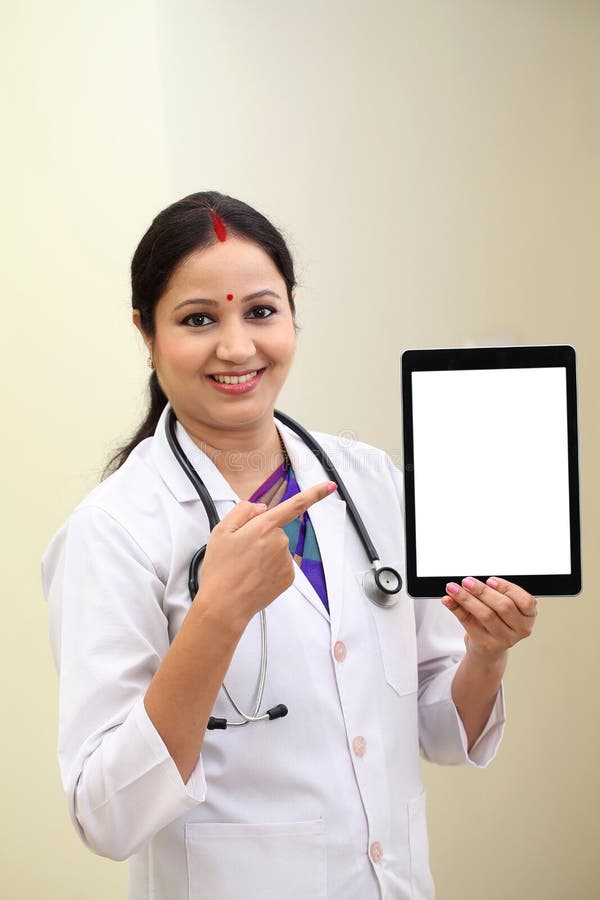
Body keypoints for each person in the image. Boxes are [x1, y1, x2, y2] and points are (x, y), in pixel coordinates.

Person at [42, 191, 538, 900]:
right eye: (198, 319)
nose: (237, 347)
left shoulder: (371, 483)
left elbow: (436, 726)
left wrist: (486, 654)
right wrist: (216, 616)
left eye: (261, 311)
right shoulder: (114, 530)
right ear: (146, 333)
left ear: (293, 313)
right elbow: (106, 815)